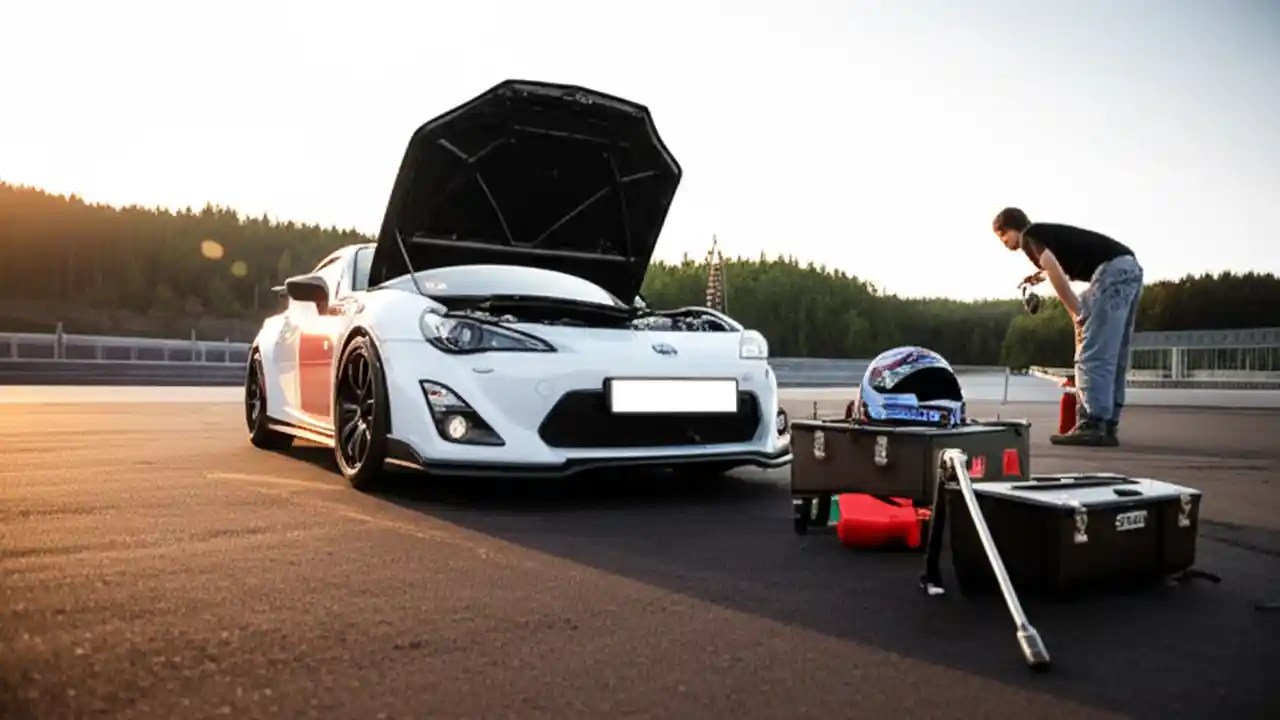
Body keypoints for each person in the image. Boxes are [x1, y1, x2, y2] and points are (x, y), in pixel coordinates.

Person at [992, 207, 1144, 446]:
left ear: (1009, 229)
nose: (1004, 243)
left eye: (1002, 236)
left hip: (1111, 272)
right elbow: (1055, 265)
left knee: (1091, 352)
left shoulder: (1029, 237)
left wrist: (1076, 312)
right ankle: (1108, 424)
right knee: (1113, 353)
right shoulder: (1045, 235)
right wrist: (1038, 276)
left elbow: (1054, 271)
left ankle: (1092, 423)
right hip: (1129, 268)